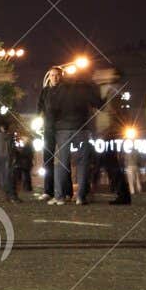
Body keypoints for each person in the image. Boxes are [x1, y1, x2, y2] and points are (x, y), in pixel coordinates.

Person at [45, 68, 91, 205]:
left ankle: (59, 197)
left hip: (63, 129)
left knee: (62, 163)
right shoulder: (84, 88)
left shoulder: (60, 90)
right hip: (81, 129)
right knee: (83, 163)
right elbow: (96, 103)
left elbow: (52, 109)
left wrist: (51, 126)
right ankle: (81, 197)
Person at [93, 69, 131, 205]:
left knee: (109, 164)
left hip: (109, 133)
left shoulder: (111, 91)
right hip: (108, 132)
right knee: (105, 163)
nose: (96, 75)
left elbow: (113, 113)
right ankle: (120, 193)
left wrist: (107, 131)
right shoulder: (110, 90)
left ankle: (122, 194)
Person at [35, 67, 63, 200]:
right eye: (52, 75)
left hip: (62, 128)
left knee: (64, 160)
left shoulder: (65, 90)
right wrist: (38, 120)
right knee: (47, 160)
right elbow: (39, 107)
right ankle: (48, 191)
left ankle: (65, 192)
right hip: (48, 128)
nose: (55, 77)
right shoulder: (45, 91)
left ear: (61, 76)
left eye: (57, 75)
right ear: (49, 77)